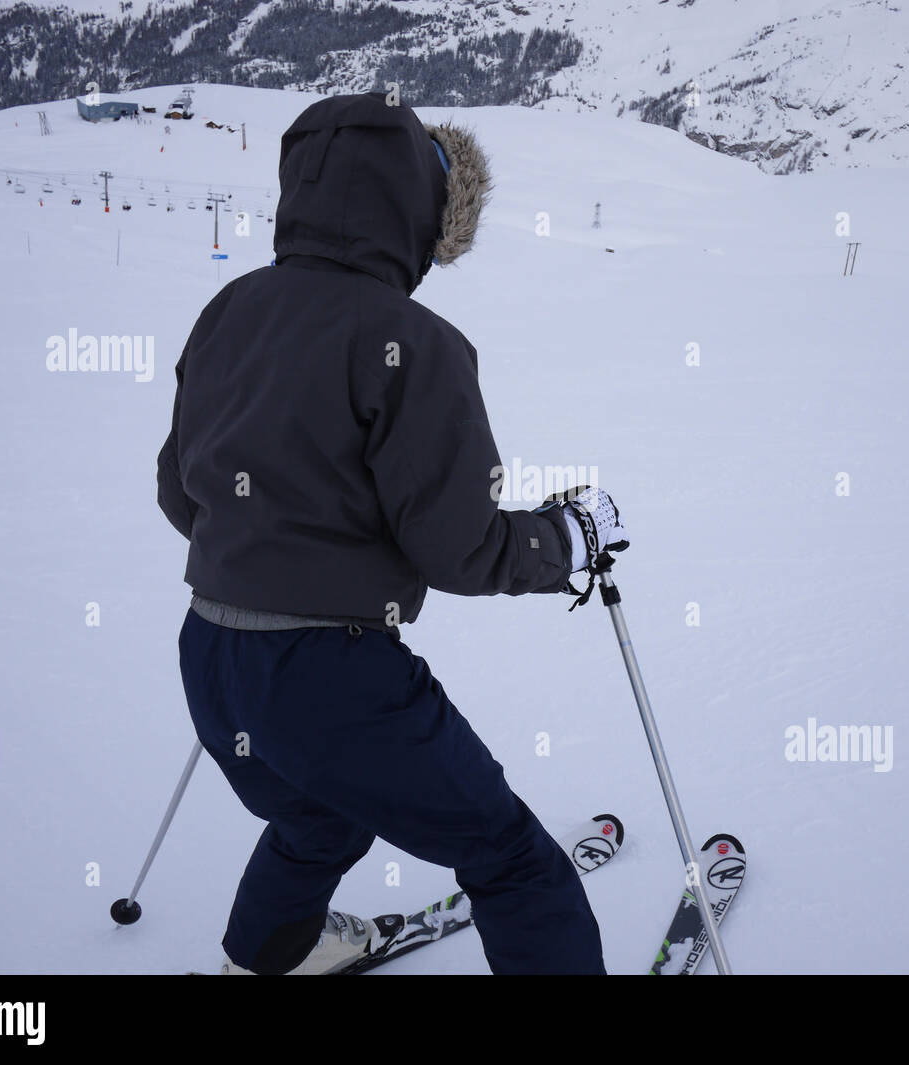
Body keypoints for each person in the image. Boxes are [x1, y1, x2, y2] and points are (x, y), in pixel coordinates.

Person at [156, 92, 629, 975]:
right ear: (419, 214)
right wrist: (566, 537)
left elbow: (182, 494)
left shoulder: (228, 311)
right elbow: (457, 546)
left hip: (210, 659)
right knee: (507, 851)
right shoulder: (416, 341)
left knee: (317, 815)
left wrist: (266, 544)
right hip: (330, 682)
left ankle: (261, 959)